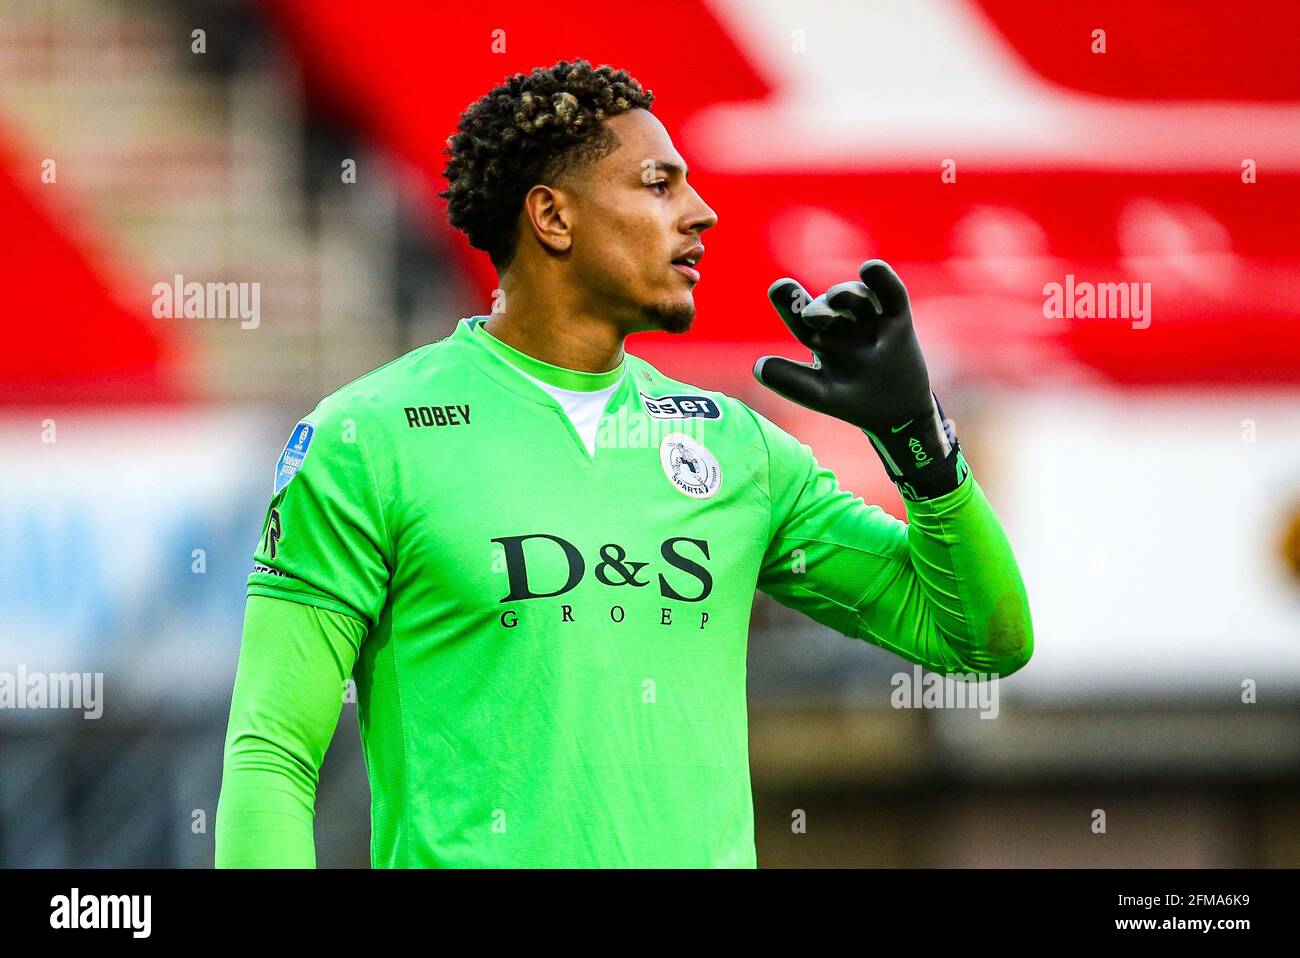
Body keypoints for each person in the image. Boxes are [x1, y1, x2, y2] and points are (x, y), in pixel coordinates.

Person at [215, 58, 1033, 868]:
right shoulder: (369, 438)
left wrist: (917, 440)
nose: (701, 213)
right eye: (658, 184)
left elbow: (983, 640)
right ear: (553, 217)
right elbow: (273, 754)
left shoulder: (735, 448)